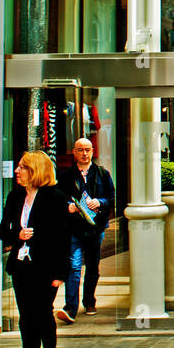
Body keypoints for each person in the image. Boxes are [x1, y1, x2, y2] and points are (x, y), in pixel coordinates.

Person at [0, 151, 70, 348]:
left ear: (35, 170)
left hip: (46, 267)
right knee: (26, 318)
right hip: (21, 267)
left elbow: (63, 237)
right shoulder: (14, 197)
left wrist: (60, 274)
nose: (17, 171)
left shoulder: (54, 197)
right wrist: (16, 235)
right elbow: (3, 231)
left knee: (42, 314)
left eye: (22, 167)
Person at [57, 137, 115, 321]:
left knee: (92, 266)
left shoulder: (102, 174)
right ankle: (70, 308)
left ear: (92, 151)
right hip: (73, 229)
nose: (84, 153)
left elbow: (112, 199)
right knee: (73, 267)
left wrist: (100, 202)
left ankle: (89, 301)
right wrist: (67, 206)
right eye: (80, 150)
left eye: (87, 150)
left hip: (95, 228)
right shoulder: (65, 176)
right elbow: (57, 200)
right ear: (74, 152)